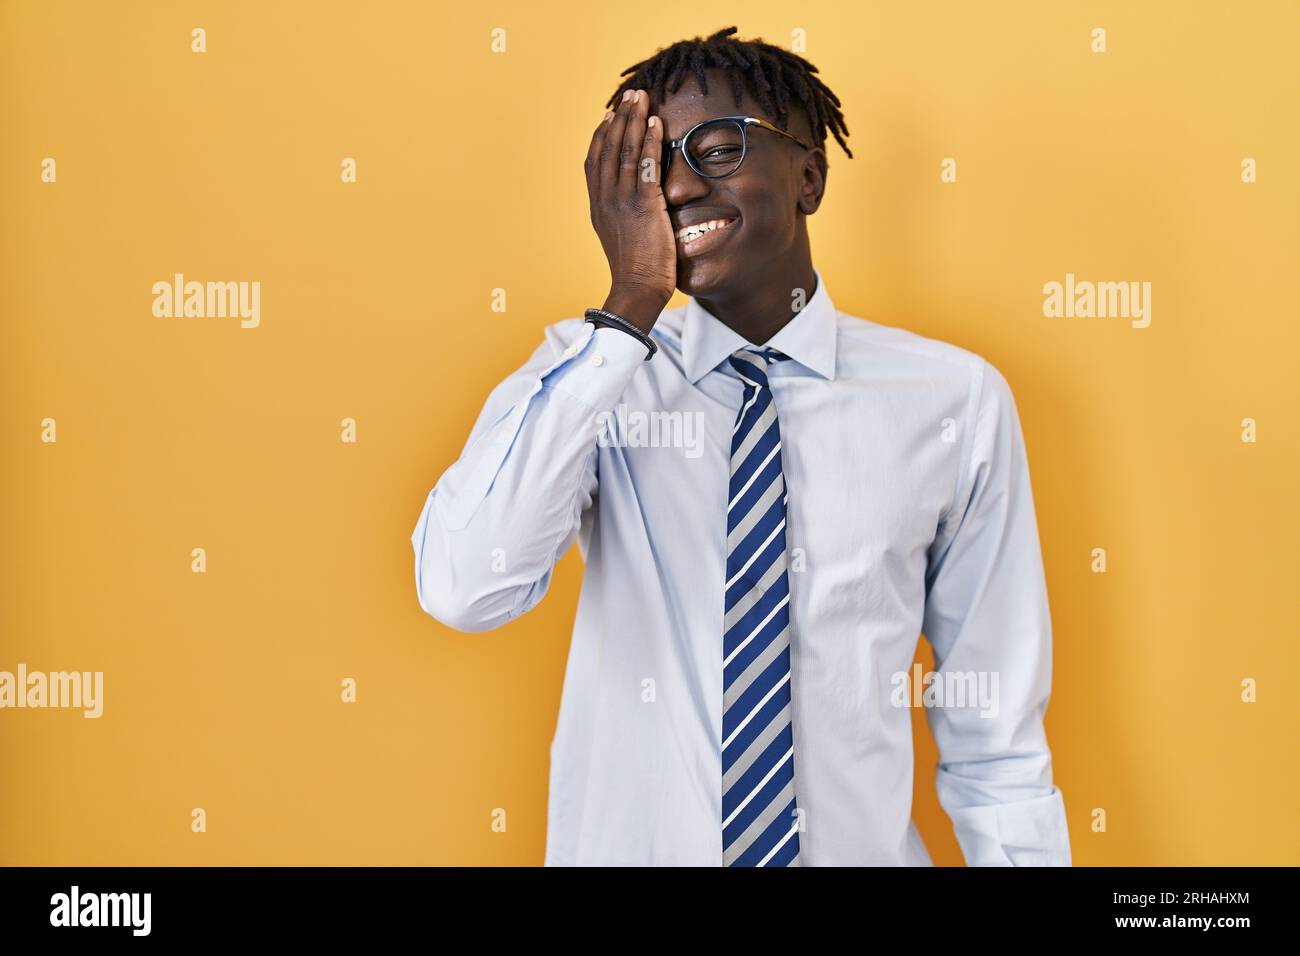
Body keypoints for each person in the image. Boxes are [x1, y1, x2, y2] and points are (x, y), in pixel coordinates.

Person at [411, 26, 1071, 867]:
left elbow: (998, 736)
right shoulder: (589, 380)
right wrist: (628, 310)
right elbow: (463, 588)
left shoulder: (952, 401)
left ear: (809, 176)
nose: (679, 187)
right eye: (649, 168)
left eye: (716, 149)